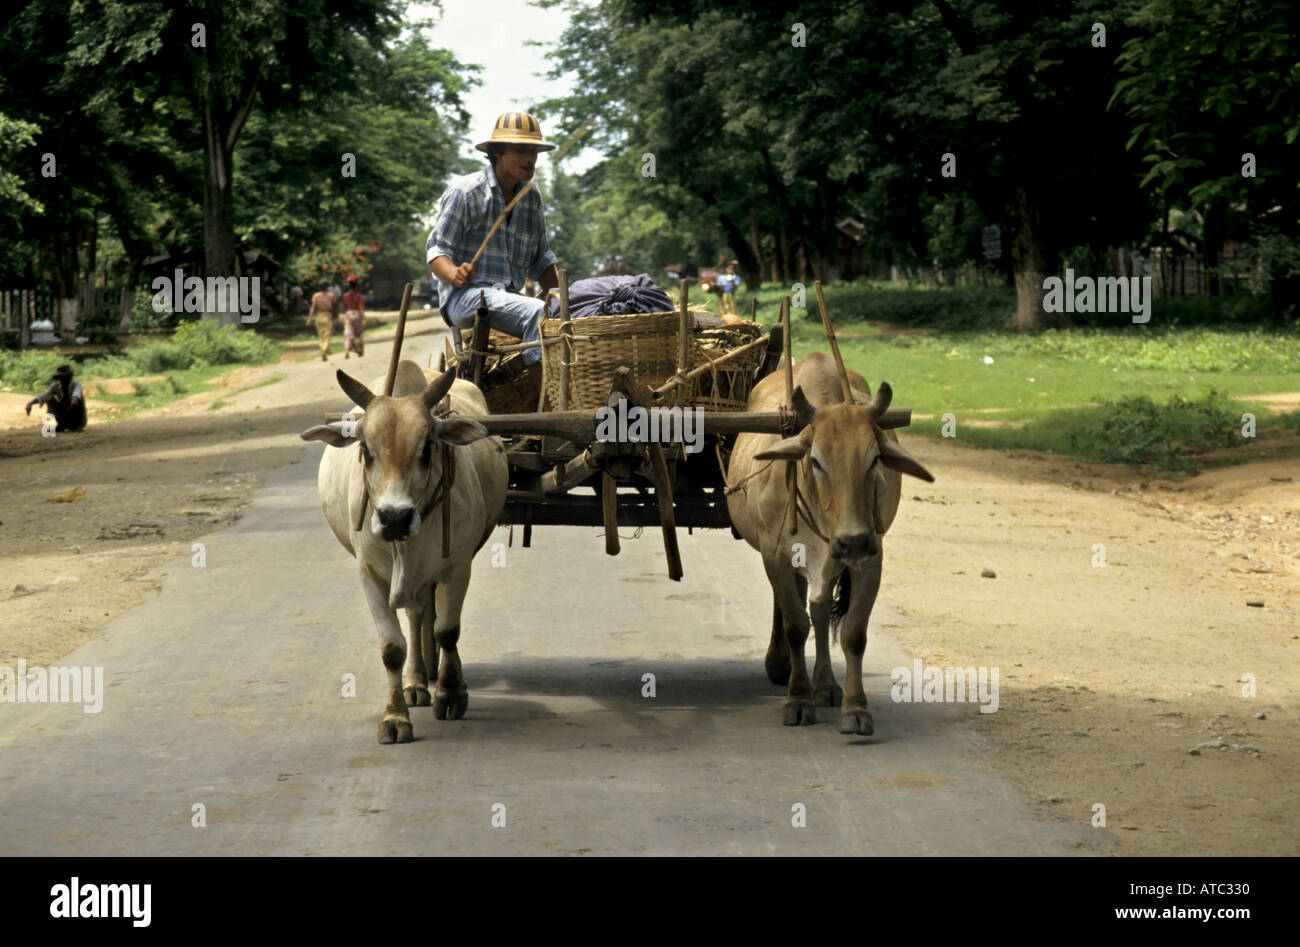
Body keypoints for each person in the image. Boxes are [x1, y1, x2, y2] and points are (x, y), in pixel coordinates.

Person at [426, 111, 561, 411]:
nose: (531, 157)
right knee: (539, 313)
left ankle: (551, 393)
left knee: (568, 311)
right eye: (522, 149)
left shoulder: (531, 196)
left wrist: (566, 298)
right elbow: (436, 252)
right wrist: (455, 273)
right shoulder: (465, 193)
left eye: (534, 150)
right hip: (466, 300)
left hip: (507, 299)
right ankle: (546, 404)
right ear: (496, 152)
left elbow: (542, 261)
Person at [25, 364, 86, 432]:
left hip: (77, 419)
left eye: (65, 377)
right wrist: (30, 404)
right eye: (61, 377)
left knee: (77, 400)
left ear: (69, 377)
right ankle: (61, 424)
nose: (63, 380)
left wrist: (72, 403)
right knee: (49, 399)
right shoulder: (56, 386)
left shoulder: (76, 384)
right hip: (63, 416)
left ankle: (76, 425)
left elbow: (76, 397)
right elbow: (44, 396)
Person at [306, 280, 337, 361]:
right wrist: (336, 316)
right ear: (327, 287)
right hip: (327, 316)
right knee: (327, 335)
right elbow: (334, 306)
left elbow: (313, 308)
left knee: (321, 335)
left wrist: (309, 318)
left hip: (319, 316)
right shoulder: (331, 295)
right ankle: (324, 349)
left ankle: (324, 348)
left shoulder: (316, 296)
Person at [342, 278, 366, 358]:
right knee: (358, 334)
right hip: (356, 314)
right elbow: (360, 308)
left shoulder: (345, 295)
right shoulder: (359, 295)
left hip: (348, 314)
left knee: (348, 334)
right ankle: (359, 351)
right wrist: (364, 318)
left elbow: (345, 307)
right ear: (356, 286)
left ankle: (347, 350)